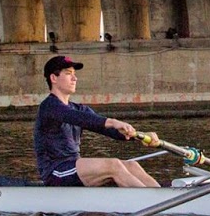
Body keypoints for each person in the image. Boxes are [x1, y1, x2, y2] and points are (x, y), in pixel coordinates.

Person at [34, 55, 160, 188]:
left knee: (132, 166)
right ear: (54, 78)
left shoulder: (79, 108)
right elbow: (76, 117)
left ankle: (163, 198)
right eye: (68, 73)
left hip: (74, 167)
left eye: (74, 74)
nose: (75, 78)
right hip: (55, 172)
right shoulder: (49, 107)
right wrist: (112, 121)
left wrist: (142, 136)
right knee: (113, 165)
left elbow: (109, 130)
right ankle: (152, 202)